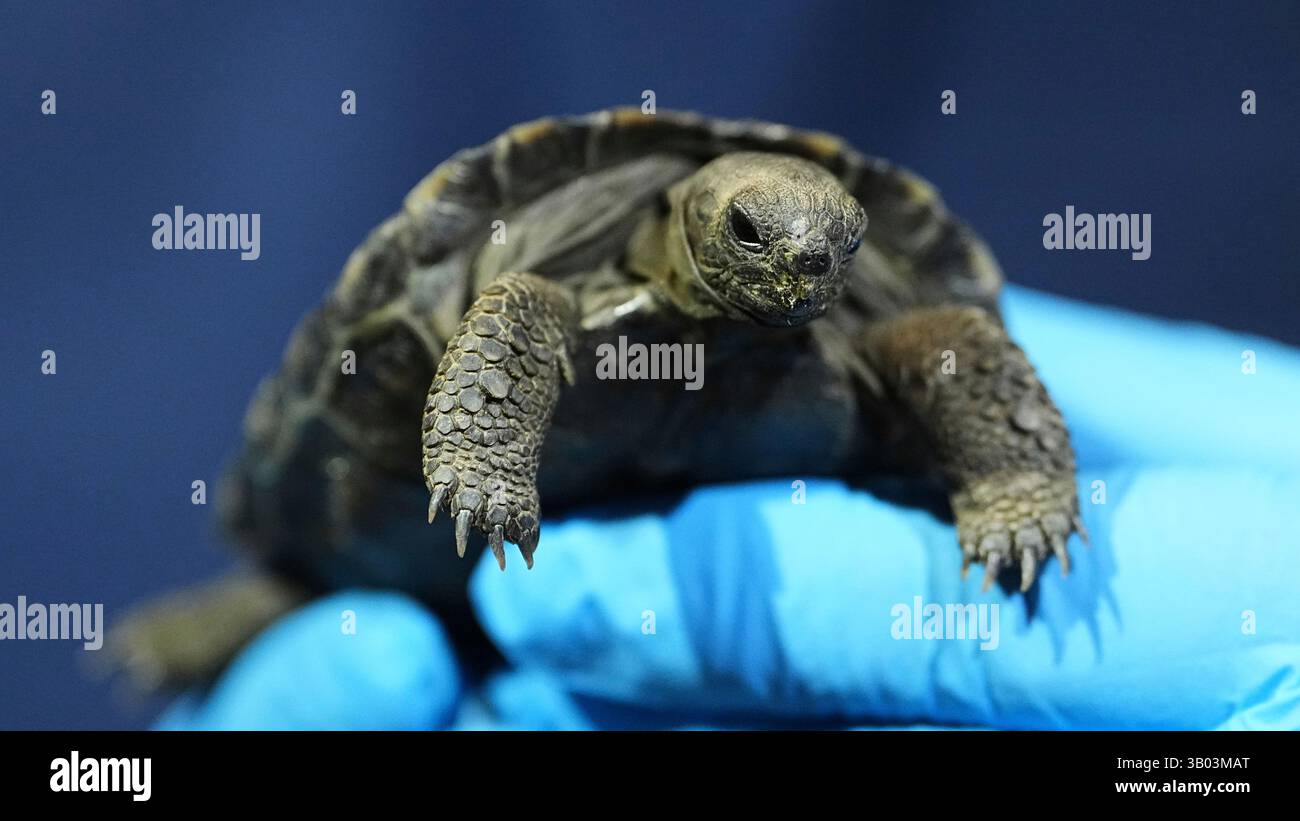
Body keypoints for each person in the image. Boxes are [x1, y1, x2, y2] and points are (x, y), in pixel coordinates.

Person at [156, 287, 1300, 730]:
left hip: (825, 488)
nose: (799, 263)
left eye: (829, 249)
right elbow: (519, 297)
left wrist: (1014, 475)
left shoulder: (845, 296)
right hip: (459, 528)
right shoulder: (572, 287)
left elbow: (932, 333)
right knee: (354, 620)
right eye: (758, 244)